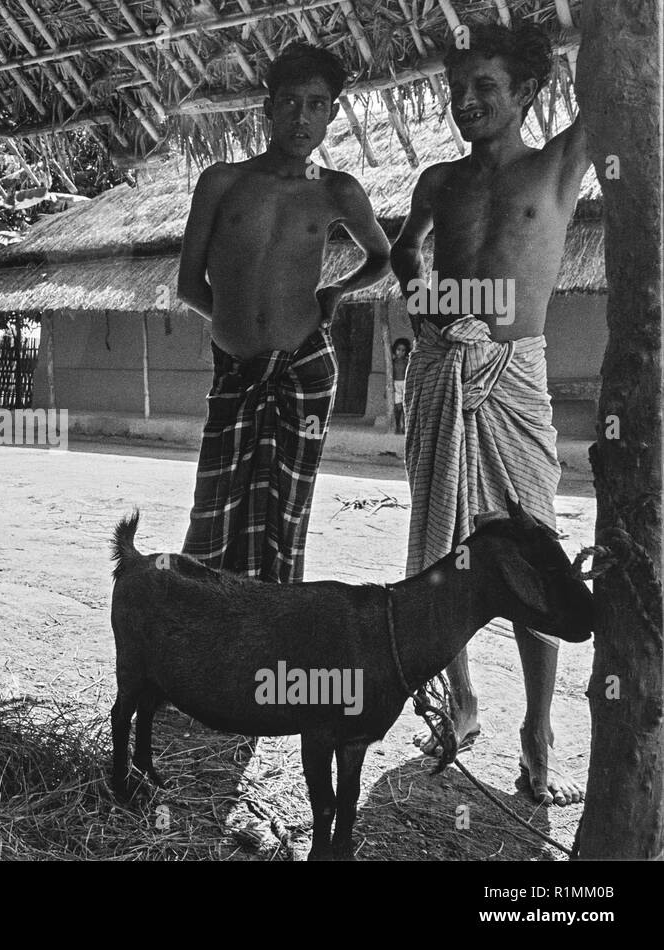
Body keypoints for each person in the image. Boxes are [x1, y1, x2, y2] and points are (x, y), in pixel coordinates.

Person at [390, 23, 591, 805]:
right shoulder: (439, 182)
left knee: (535, 552)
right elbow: (407, 251)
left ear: (530, 93)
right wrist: (426, 310)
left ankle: (538, 734)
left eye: (486, 88)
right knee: (447, 550)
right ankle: (460, 700)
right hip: (444, 371)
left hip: (513, 378)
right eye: (458, 88)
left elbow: (613, 88)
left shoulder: (559, 165)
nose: (465, 102)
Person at [177, 42, 390, 582]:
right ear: (267, 109)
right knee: (214, 510)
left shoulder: (337, 191)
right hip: (237, 370)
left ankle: (271, 625)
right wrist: (235, 332)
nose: (303, 117)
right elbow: (188, 285)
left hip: (305, 369)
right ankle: (204, 623)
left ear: (333, 114)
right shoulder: (223, 182)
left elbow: (383, 256)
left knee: (286, 514)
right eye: (290, 102)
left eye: (317, 104)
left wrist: (338, 291)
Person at [391, 337, 411, 433]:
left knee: (404, 407)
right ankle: (397, 425)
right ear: (395, 350)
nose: (400, 352)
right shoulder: (392, 362)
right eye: (398, 350)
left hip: (405, 385)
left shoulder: (407, 362)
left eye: (403, 350)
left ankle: (404, 427)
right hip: (395, 385)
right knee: (397, 407)